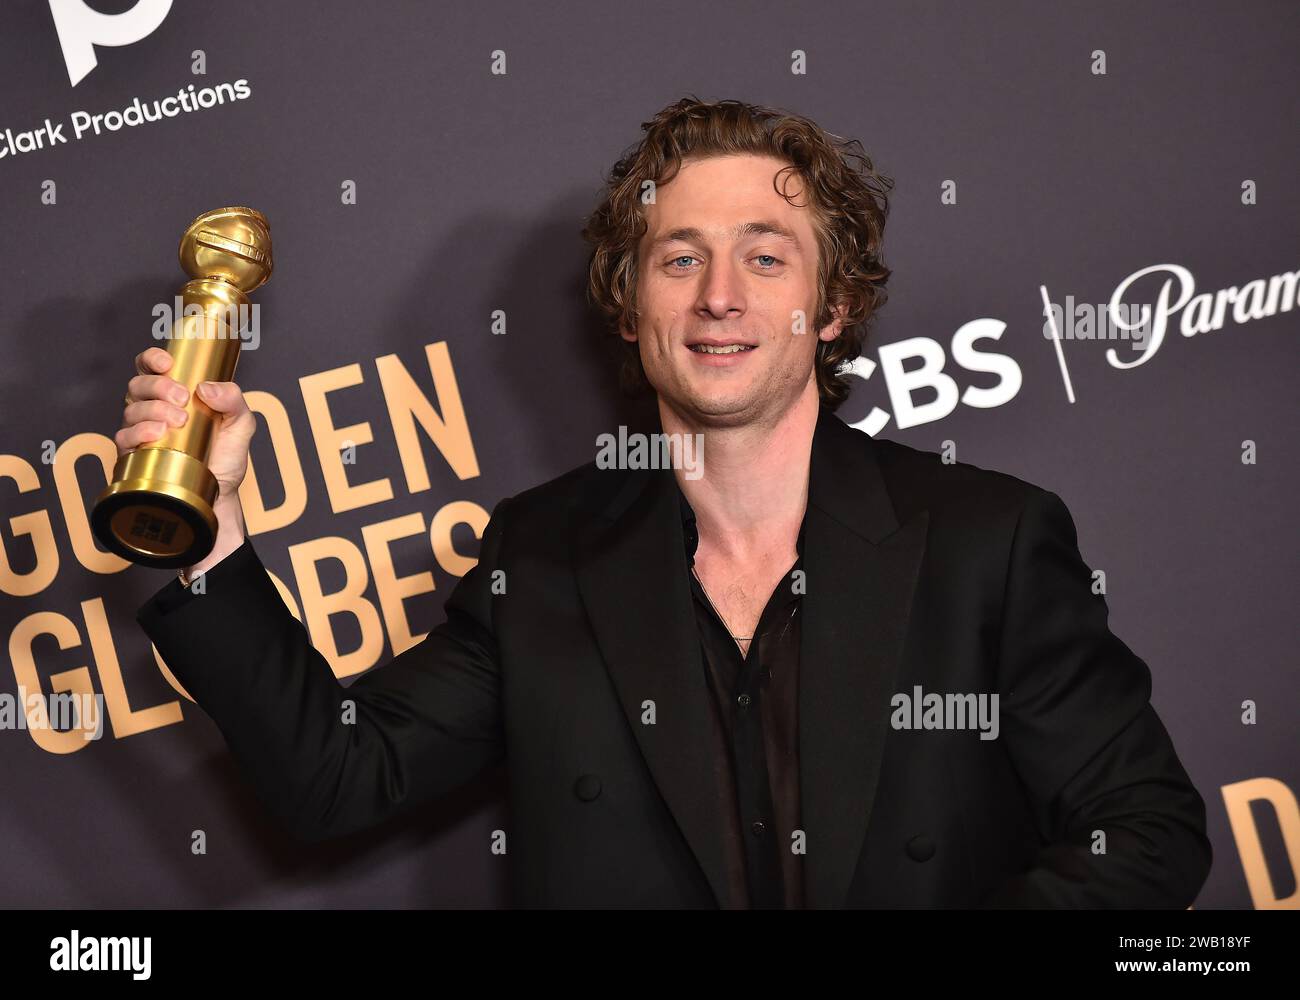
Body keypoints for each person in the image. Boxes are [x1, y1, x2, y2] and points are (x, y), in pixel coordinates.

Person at [117, 96, 1211, 908]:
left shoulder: (988, 539)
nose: (720, 296)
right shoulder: (541, 558)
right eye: (678, 258)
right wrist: (218, 536)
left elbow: (1148, 833)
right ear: (631, 308)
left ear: (829, 309)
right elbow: (336, 779)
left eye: (765, 257)